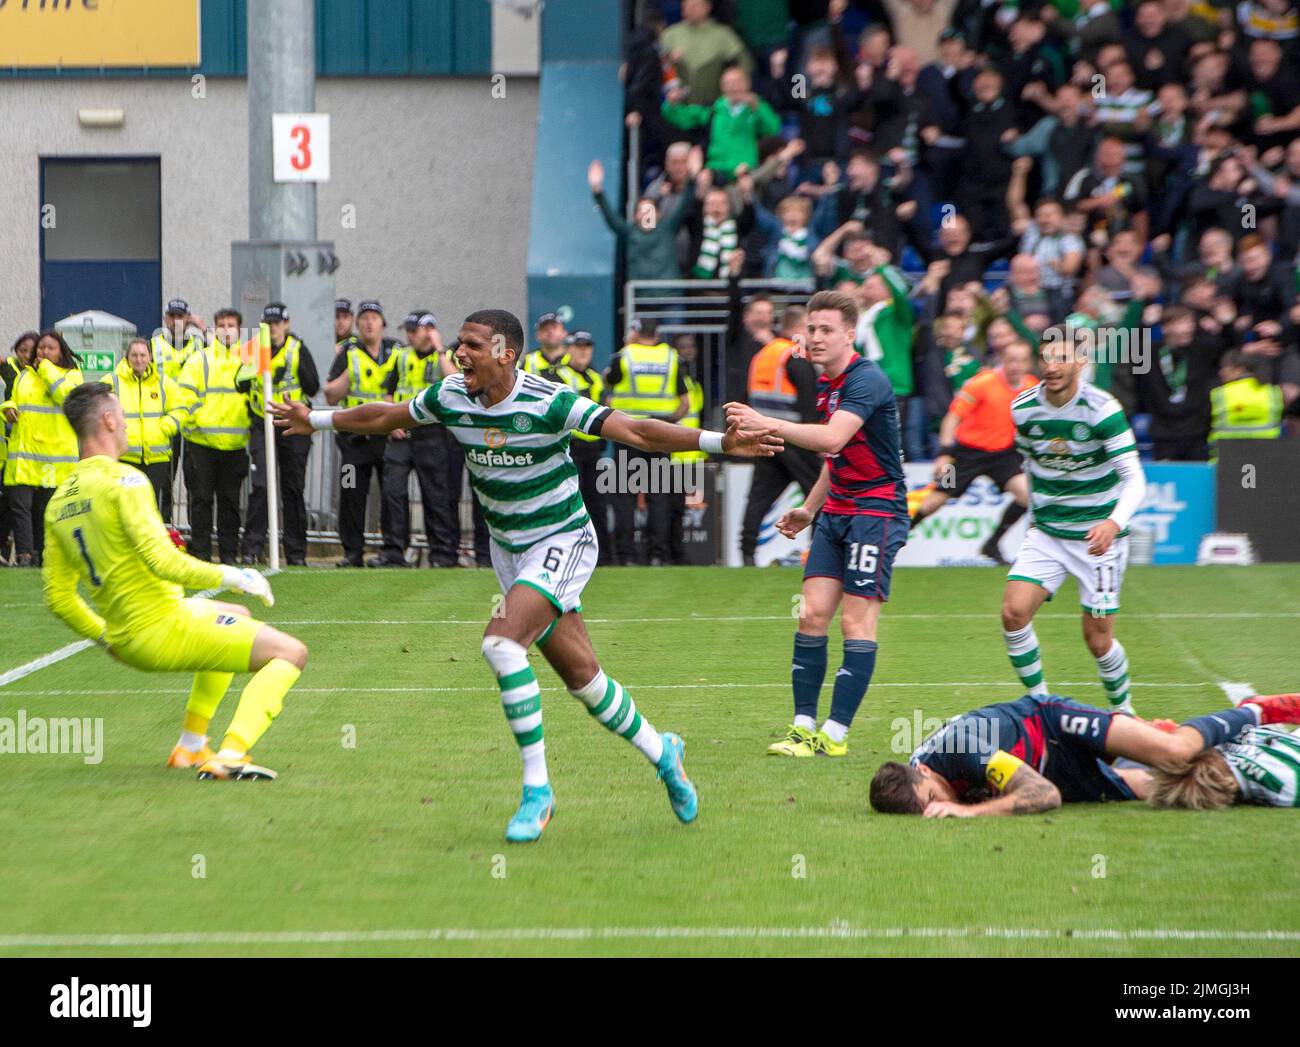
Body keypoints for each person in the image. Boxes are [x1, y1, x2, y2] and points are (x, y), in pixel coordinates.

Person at [271, 308, 781, 842]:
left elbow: (636, 431)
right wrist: (318, 419)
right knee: (585, 681)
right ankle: (664, 752)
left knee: (500, 646)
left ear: (504, 353)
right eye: (457, 344)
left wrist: (721, 443)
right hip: (511, 551)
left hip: (562, 540)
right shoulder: (451, 396)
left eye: (470, 345)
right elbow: (386, 415)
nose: (458, 353)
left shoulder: (549, 401)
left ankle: (538, 790)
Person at [43, 381, 307, 782]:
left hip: (129, 635)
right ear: (109, 419)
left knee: (235, 614)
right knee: (291, 652)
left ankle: (191, 744)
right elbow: (164, 562)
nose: (128, 423)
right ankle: (233, 754)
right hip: (163, 628)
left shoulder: (59, 500)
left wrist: (105, 637)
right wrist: (234, 574)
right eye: (124, 414)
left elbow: (59, 598)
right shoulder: (125, 482)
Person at [726, 291, 910, 758]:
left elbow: (831, 436)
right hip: (837, 510)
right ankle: (803, 727)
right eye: (811, 328)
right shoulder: (826, 383)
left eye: (827, 329)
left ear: (850, 334)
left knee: (854, 622)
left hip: (876, 512)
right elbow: (836, 454)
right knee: (810, 615)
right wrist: (809, 509)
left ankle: (836, 733)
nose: (816, 337)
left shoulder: (865, 380)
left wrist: (767, 423)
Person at [1002, 335, 1147, 716]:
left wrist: (1113, 524)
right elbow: (1030, 464)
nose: (1052, 365)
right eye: (1047, 357)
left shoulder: (1102, 409)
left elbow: (1134, 477)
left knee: (1098, 641)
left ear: (1080, 363)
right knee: (1013, 613)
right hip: (1048, 533)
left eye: (1062, 358)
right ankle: (1040, 705)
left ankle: (1124, 712)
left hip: (1097, 539)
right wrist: (1035, 518)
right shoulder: (1023, 408)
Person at [868, 691, 1300, 816]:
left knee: (1174, 750)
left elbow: (1043, 796)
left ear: (922, 771)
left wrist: (970, 812)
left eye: (933, 799)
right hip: (1053, 769)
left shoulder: (965, 750)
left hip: (1053, 725)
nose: (939, 808)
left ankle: (1257, 710)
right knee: (1175, 790)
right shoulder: (913, 778)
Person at [910, 340, 1038, 564]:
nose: (1016, 365)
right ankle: (895, 539)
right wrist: (944, 453)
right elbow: (953, 417)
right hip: (964, 455)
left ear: (1029, 363)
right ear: (1002, 360)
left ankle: (992, 544)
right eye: (1011, 360)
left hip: (1003, 455)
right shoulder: (983, 383)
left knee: (1027, 495)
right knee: (933, 501)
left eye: (1022, 360)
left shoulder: (1032, 387)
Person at [604, 318, 691, 566]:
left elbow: (607, 389)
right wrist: (669, 422)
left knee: (624, 496)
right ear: (657, 333)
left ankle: (626, 556)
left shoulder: (624, 355)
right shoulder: (670, 357)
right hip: (660, 433)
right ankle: (657, 556)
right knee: (659, 496)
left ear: (635, 331)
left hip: (627, 433)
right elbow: (684, 402)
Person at [377, 311, 460, 568]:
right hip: (402, 436)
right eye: (409, 331)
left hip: (432, 436)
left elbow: (454, 381)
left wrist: (439, 348)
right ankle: (393, 551)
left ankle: (443, 554)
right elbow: (388, 393)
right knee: (393, 492)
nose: (410, 335)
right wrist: (391, 422)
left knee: (436, 496)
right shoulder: (400, 356)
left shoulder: (444, 357)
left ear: (430, 330)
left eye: (415, 330)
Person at [740, 305, 821, 566]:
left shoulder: (764, 353)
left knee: (759, 497)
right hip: (796, 437)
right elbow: (809, 399)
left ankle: (747, 553)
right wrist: (817, 435)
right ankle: (818, 552)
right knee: (818, 495)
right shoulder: (795, 353)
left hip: (765, 436)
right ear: (798, 328)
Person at [242, 303, 320, 566]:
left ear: (286, 324)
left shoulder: (297, 349)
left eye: (277, 323)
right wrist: (254, 364)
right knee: (262, 485)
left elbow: (312, 386)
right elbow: (238, 383)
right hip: (261, 425)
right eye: (268, 323)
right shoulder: (253, 349)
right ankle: (252, 548)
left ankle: (296, 553)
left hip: (292, 427)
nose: (272, 327)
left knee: (292, 488)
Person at [324, 300, 398, 567]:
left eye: (374, 318)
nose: (369, 323)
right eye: (364, 318)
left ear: (382, 323)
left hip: (387, 439)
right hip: (353, 442)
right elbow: (330, 395)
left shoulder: (396, 351)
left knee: (392, 493)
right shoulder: (348, 353)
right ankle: (352, 552)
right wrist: (349, 372)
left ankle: (392, 551)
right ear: (358, 324)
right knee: (350, 492)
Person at [1, 330, 83, 566]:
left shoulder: (72, 376)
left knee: (46, 510)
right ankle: (24, 555)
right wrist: (8, 408)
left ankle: (44, 553)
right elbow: (13, 397)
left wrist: (45, 369)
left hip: (53, 458)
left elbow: (65, 397)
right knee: (19, 506)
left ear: (61, 352)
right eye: (41, 348)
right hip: (24, 453)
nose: (43, 352)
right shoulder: (25, 376)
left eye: (50, 348)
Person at [178, 309, 250, 565]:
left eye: (231, 325)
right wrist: (196, 423)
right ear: (214, 329)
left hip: (234, 445)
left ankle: (229, 555)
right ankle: (201, 554)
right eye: (221, 325)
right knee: (201, 502)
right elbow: (185, 398)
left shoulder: (249, 361)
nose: (226, 329)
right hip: (201, 444)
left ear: (239, 330)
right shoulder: (200, 360)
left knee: (230, 504)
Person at [101, 337, 187, 522]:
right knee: (125, 506)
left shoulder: (164, 382)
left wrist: (167, 426)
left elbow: (180, 409)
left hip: (157, 457)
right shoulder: (112, 381)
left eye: (142, 355)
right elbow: (98, 408)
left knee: (152, 506)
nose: (138, 359)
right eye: (134, 355)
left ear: (150, 357)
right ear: (127, 357)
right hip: (125, 456)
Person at [542, 330, 610, 564]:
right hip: (568, 449)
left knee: (597, 506)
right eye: (579, 346)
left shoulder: (596, 377)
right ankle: (564, 554)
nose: (583, 351)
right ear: (568, 348)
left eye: (588, 347)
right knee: (565, 504)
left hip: (593, 451)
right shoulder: (555, 375)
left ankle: (602, 557)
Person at [1209, 350, 1284, 450]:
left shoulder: (1220, 394)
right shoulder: (1273, 392)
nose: (1221, 372)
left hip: (1228, 457)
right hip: (1266, 456)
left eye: (1225, 367)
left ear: (1239, 369)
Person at [151, 299, 203, 384]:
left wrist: (203, 327)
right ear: (164, 318)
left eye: (180, 316)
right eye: (171, 316)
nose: (176, 320)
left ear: (188, 319)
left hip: (190, 397)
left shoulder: (199, 344)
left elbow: (225, 352)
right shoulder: (152, 345)